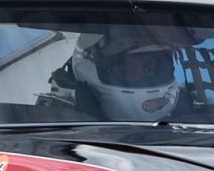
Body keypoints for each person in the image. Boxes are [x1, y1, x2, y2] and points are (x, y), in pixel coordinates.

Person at [48, 29, 184, 121]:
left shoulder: (193, 124)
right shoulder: (58, 128)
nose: (145, 74)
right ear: (87, 71)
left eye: (151, 64)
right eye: (124, 69)